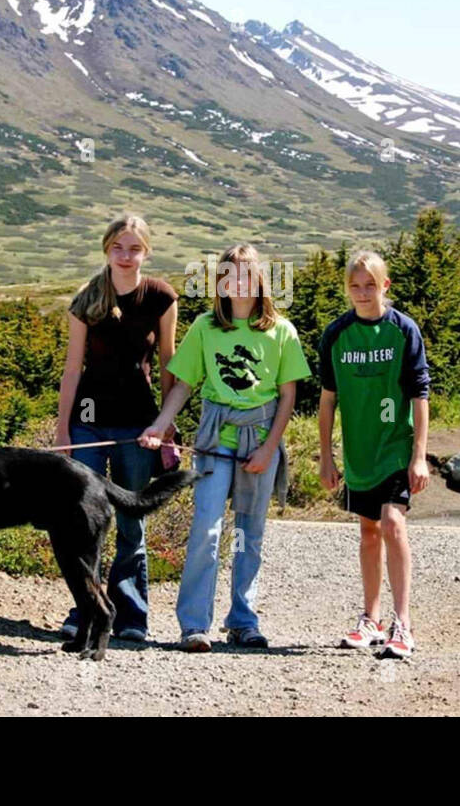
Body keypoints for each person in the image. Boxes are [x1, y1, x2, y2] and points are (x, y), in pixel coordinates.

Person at [139, 243, 311, 652]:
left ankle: (243, 621)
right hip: (215, 438)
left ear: (259, 280)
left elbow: (288, 397)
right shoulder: (205, 327)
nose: (238, 282)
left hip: (261, 438)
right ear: (220, 282)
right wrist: (160, 427)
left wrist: (270, 449)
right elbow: (184, 384)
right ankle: (194, 625)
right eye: (229, 274)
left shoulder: (281, 331)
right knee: (207, 528)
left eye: (247, 274)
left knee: (249, 532)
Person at [56, 214, 178, 641]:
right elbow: (73, 370)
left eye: (134, 249)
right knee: (84, 523)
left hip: (138, 426)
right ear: (106, 249)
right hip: (88, 423)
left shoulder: (161, 296)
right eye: (117, 248)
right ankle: (84, 610)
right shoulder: (86, 298)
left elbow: (168, 363)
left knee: (130, 521)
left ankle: (131, 617)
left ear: (146, 251)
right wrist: (63, 431)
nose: (125, 257)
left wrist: (167, 426)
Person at [318, 250, 430, 660]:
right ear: (347, 289)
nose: (362, 292)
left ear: (385, 286)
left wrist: (419, 456)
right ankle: (372, 619)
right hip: (358, 451)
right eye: (355, 286)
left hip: (395, 448)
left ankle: (403, 623)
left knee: (392, 522)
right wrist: (326, 456)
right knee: (368, 532)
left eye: (370, 285)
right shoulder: (336, 334)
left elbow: (420, 394)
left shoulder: (403, 330)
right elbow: (328, 400)